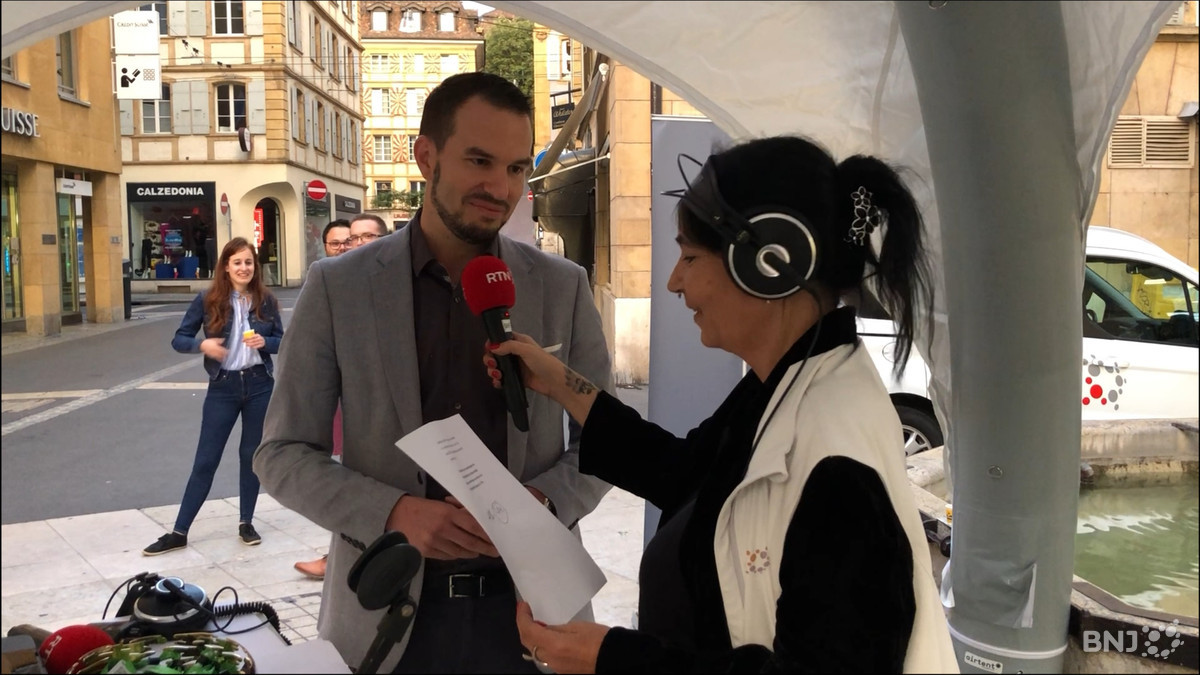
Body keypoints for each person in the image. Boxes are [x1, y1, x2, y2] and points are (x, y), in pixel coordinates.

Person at [489, 136, 959, 672]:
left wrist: (610, 658)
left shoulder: (836, 459)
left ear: (770, 262)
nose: (674, 280)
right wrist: (560, 384)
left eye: (690, 255)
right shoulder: (788, 381)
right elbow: (686, 471)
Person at [254, 71, 613, 673]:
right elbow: (282, 454)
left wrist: (543, 503)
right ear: (426, 156)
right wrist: (394, 513)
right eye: (479, 160)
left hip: (536, 618)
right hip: (386, 620)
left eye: (517, 168)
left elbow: (607, 439)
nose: (500, 187)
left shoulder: (562, 286)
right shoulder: (338, 287)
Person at [144, 237, 285, 556]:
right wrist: (202, 345)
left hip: (260, 384)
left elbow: (282, 340)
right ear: (226, 266)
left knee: (251, 456)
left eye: (249, 262)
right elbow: (179, 339)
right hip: (224, 387)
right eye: (237, 262)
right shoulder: (208, 299)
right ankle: (179, 531)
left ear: (255, 266)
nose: (244, 268)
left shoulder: (266, 300)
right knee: (206, 459)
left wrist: (266, 342)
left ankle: (246, 522)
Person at [294, 219, 355, 580]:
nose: (344, 248)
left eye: (353, 240)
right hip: (337, 395)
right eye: (335, 244)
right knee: (343, 468)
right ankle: (336, 553)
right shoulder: (325, 283)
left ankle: (338, 554)